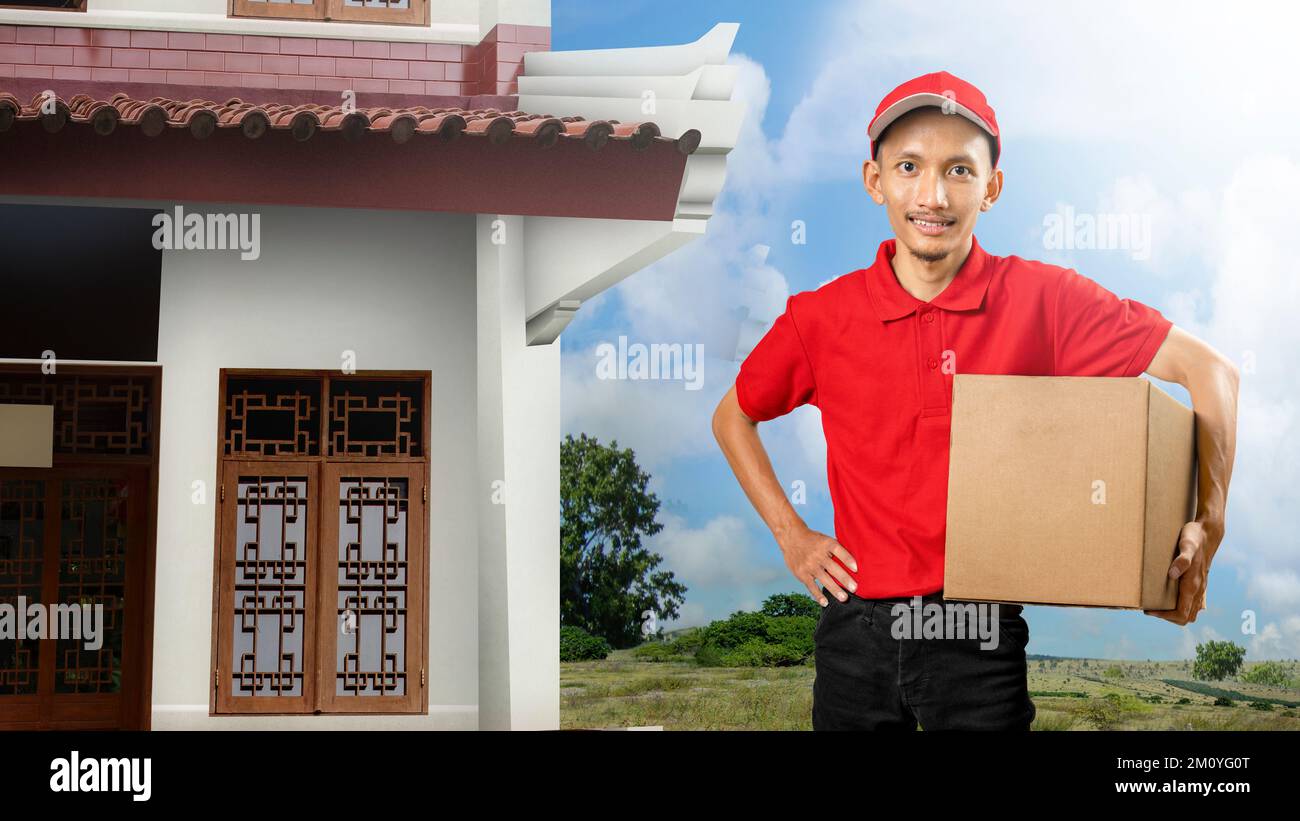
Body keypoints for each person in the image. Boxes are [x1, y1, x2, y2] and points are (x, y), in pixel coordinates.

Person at [710, 71, 1240, 731]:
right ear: (875, 180)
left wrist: (1208, 523)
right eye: (909, 166)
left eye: (959, 170)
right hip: (854, 635)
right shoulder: (821, 317)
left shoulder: (1045, 302)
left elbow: (1210, 370)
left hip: (978, 634)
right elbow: (733, 415)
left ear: (992, 187)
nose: (932, 194)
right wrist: (792, 536)